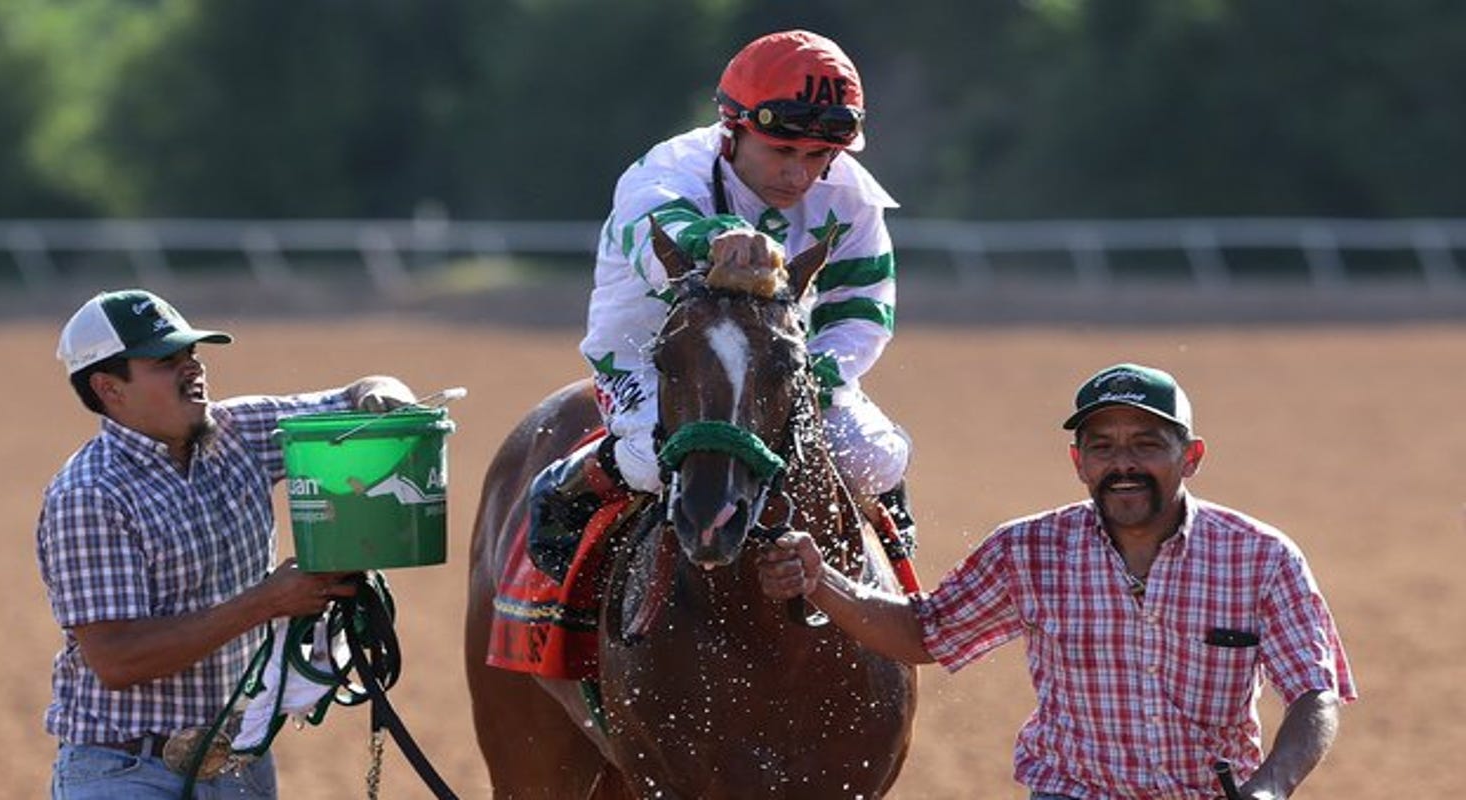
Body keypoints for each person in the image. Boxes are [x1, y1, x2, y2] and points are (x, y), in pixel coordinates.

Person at [756, 363, 1357, 799]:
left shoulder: (1261, 556)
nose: (1123, 464)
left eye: (1147, 445)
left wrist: (1270, 788)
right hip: (1073, 791)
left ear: (1191, 456)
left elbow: (1314, 691)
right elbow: (923, 634)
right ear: (1079, 463)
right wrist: (821, 580)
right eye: (1102, 447)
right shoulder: (1028, 550)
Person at [528, 29, 914, 578]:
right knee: (654, 461)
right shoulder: (668, 170)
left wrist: (810, 378)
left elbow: (862, 312)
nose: (798, 174)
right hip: (651, 353)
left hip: (777, 365)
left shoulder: (853, 198)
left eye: (817, 156)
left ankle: (892, 582)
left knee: (876, 458)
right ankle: (571, 481)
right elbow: (652, 226)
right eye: (781, 150)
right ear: (732, 131)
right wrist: (712, 238)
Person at [36, 288, 415, 799]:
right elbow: (118, 659)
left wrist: (386, 393)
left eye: (192, 354)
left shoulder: (240, 431)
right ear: (109, 388)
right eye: (166, 361)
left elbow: (357, 397)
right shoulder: (89, 495)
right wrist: (267, 602)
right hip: (126, 772)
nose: (193, 368)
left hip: (238, 762)